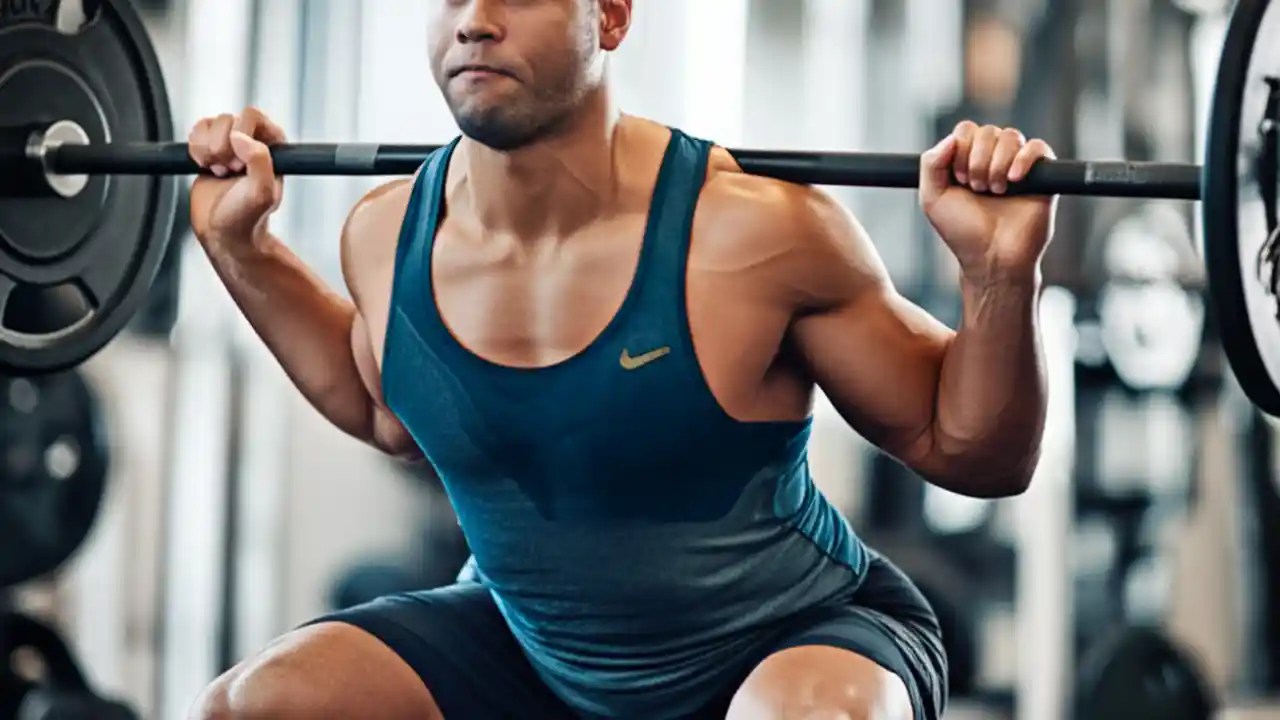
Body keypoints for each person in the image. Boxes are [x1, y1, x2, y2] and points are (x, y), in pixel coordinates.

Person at [184, 1, 1056, 718]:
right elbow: (386, 410)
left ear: (610, 16)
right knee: (256, 706)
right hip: (535, 648)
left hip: (791, 641)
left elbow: (973, 450)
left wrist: (999, 275)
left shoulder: (755, 232)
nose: (475, 22)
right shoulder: (384, 233)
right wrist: (243, 251)